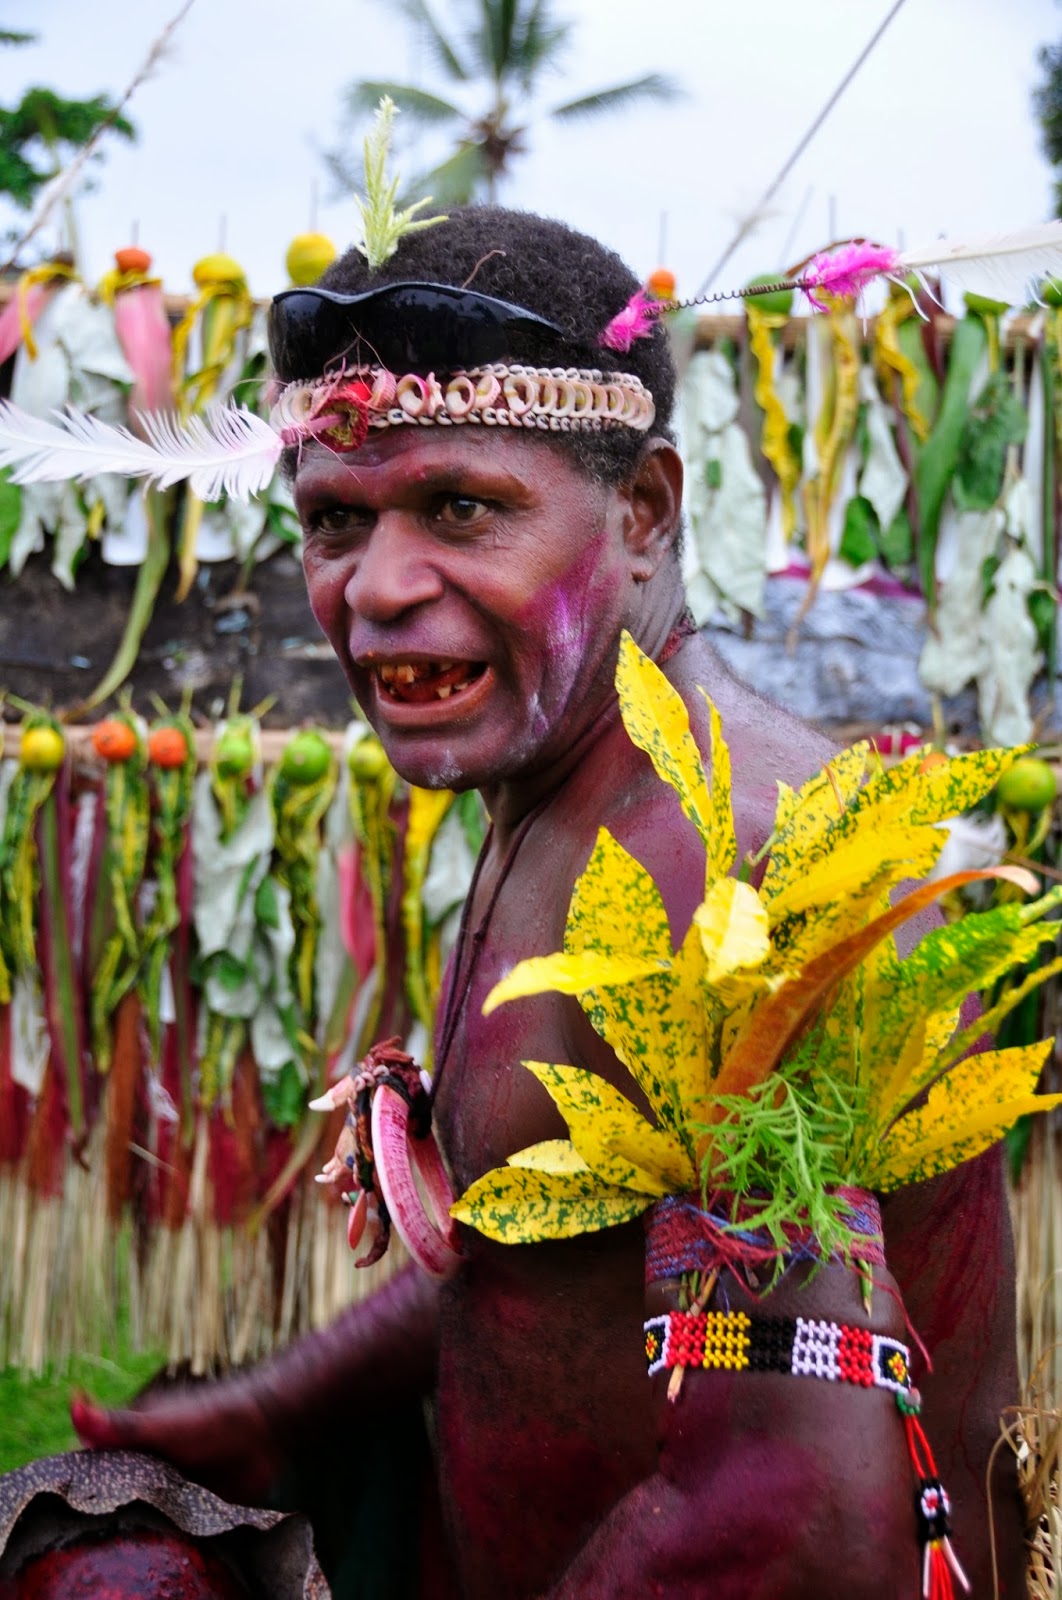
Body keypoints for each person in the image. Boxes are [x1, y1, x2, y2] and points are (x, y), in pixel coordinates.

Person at [73, 206, 1025, 1597]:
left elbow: (790, 1514)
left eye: (461, 507)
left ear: (640, 513)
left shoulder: (745, 877)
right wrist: (278, 1406)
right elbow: (541, 1244)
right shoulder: (572, 793)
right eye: (335, 520)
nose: (378, 589)